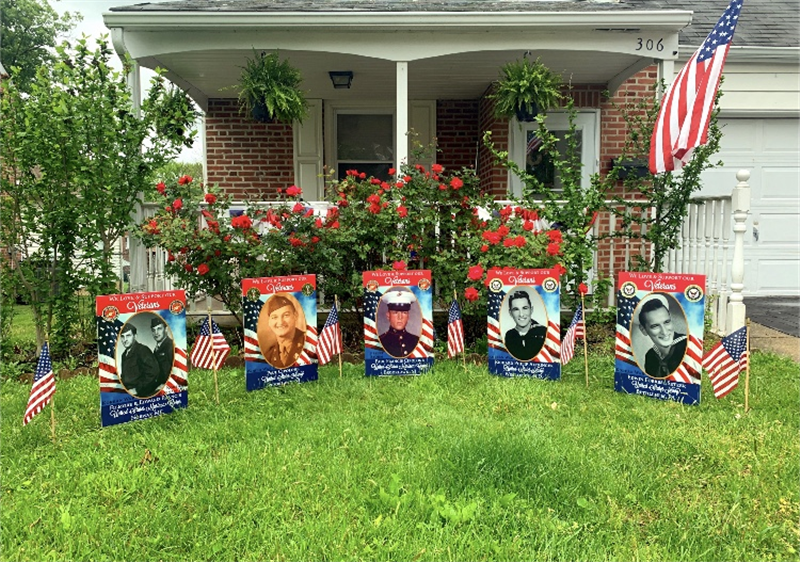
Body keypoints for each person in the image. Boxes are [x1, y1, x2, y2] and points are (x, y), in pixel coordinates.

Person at [637, 293, 688, 378]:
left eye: (667, 322)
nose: (664, 332)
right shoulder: (650, 356)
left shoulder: (687, 346)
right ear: (643, 330)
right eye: (655, 326)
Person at [119, 323, 162, 397]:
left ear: (135, 336)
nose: (125, 340)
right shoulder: (124, 354)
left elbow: (153, 372)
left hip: (141, 394)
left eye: (128, 336)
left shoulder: (142, 350)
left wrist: (137, 389)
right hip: (128, 392)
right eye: (122, 337)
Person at [263, 295, 306, 369]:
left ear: (295, 316)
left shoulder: (307, 343)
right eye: (274, 317)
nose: (280, 322)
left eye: (286, 315)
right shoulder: (269, 355)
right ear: (269, 322)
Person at [503, 290, 547, 361]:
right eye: (516, 309)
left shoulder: (543, 332)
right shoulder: (510, 335)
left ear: (531, 310)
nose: (521, 314)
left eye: (525, 308)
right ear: (510, 313)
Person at [379, 290, 420, 358]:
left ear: (408, 316)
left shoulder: (416, 341)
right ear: (388, 315)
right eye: (395, 312)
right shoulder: (380, 341)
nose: (400, 317)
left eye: (404, 312)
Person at [150, 317, 173, 386]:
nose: (156, 333)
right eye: (153, 330)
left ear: (166, 329)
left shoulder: (170, 346)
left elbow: (176, 370)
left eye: (159, 329)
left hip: (168, 386)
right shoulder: (156, 349)